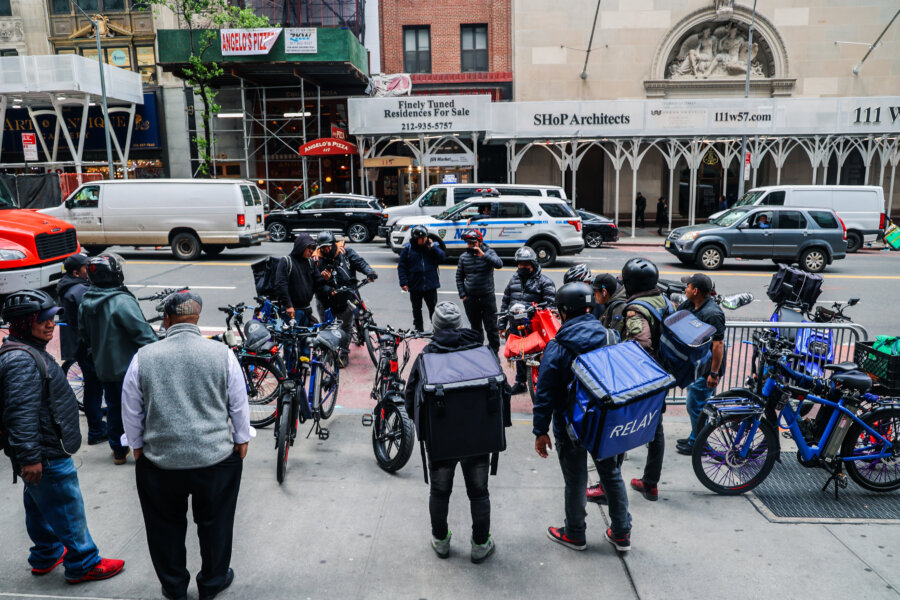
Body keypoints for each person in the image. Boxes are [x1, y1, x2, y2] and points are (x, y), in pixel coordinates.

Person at [122, 291, 250, 600]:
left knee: (164, 527)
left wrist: (137, 446)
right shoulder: (222, 354)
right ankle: (212, 582)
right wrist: (241, 438)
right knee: (216, 524)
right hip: (215, 458)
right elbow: (238, 402)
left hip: (161, 461)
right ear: (196, 319)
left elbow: (131, 409)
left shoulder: (144, 357)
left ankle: (174, 586)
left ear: (166, 319)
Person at [0, 290, 125, 584]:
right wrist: (31, 458)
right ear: (22, 323)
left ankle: (46, 554)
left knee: (39, 505)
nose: (50, 324)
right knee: (66, 507)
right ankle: (84, 562)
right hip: (46, 454)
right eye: (42, 320)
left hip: (41, 451)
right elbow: (21, 414)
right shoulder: (21, 360)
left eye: (51, 318)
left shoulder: (25, 349)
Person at [533, 283, 631, 552]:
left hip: (570, 424)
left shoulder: (558, 346)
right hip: (607, 421)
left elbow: (545, 393)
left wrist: (540, 431)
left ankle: (575, 533)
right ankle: (622, 533)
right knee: (612, 475)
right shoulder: (611, 337)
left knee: (575, 479)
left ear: (564, 311)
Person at [404, 302, 495, 563]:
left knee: (440, 492)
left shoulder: (426, 357)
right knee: (479, 493)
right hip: (478, 437)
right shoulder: (481, 351)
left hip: (440, 439)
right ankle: (480, 544)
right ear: (460, 325)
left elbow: (410, 400)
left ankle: (441, 541)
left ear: (435, 327)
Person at [79, 254, 158, 465]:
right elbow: (143, 334)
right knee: (139, 408)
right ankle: (143, 448)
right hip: (129, 367)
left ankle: (119, 451)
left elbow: (84, 334)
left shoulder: (86, 301)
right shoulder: (122, 301)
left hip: (104, 366)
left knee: (114, 408)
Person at [613, 257, 669, 502]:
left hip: (642, 380)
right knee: (656, 430)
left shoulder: (636, 310)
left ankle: (608, 485)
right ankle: (650, 484)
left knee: (617, 429)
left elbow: (642, 344)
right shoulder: (664, 300)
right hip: (662, 377)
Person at [57, 253, 106, 445]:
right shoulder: (78, 290)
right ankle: (96, 430)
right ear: (76, 272)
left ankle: (97, 426)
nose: (91, 269)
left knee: (93, 387)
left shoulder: (70, 285)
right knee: (94, 389)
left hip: (79, 345)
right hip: (86, 347)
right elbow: (92, 316)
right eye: (87, 267)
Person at [676, 273, 726, 456]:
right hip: (696, 364)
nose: (685, 289)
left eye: (688, 286)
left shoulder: (712, 314)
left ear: (695, 290)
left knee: (695, 406)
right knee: (697, 405)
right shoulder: (691, 304)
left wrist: (714, 373)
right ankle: (694, 437)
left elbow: (718, 345)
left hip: (707, 369)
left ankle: (698, 443)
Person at [312, 230, 377, 367]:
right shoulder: (315, 260)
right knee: (326, 327)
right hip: (325, 301)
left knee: (346, 327)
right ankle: (329, 352)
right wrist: (325, 283)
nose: (326, 250)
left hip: (346, 298)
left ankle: (344, 353)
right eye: (323, 248)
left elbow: (360, 262)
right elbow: (314, 283)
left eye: (328, 246)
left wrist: (369, 271)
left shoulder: (346, 252)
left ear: (333, 243)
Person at [499, 247, 556, 395]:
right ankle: (520, 382)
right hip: (516, 324)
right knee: (519, 354)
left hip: (535, 325)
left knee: (541, 354)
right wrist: (501, 324)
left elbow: (551, 305)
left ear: (533, 264)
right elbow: (505, 302)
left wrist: (536, 311)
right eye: (520, 264)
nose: (522, 267)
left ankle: (545, 382)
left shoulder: (545, 282)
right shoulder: (513, 280)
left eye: (526, 264)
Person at [455, 229, 503, 355]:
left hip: (487, 297)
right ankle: (479, 352)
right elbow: (459, 277)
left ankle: (494, 352)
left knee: (491, 327)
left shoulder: (489, 252)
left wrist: (483, 255)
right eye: (469, 243)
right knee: (475, 328)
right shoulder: (463, 257)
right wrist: (463, 295)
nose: (471, 246)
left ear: (480, 242)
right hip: (471, 299)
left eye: (473, 243)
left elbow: (499, 264)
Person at [398, 226, 445, 331]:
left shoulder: (432, 247)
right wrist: (403, 282)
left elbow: (442, 257)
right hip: (415, 285)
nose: (423, 240)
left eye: (425, 237)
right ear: (415, 238)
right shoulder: (408, 249)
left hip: (430, 285)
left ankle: (436, 329)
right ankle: (419, 329)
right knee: (416, 309)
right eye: (421, 238)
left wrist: (432, 247)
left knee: (433, 309)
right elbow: (402, 267)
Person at [274, 233, 319, 326]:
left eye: (312, 248)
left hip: (306, 310)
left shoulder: (310, 262)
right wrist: (288, 305)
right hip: (292, 311)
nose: (311, 251)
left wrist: (327, 279)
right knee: (291, 335)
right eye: (309, 248)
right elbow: (281, 285)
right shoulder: (286, 262)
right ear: (301, 247)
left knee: (307, 335)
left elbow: (318, 281)